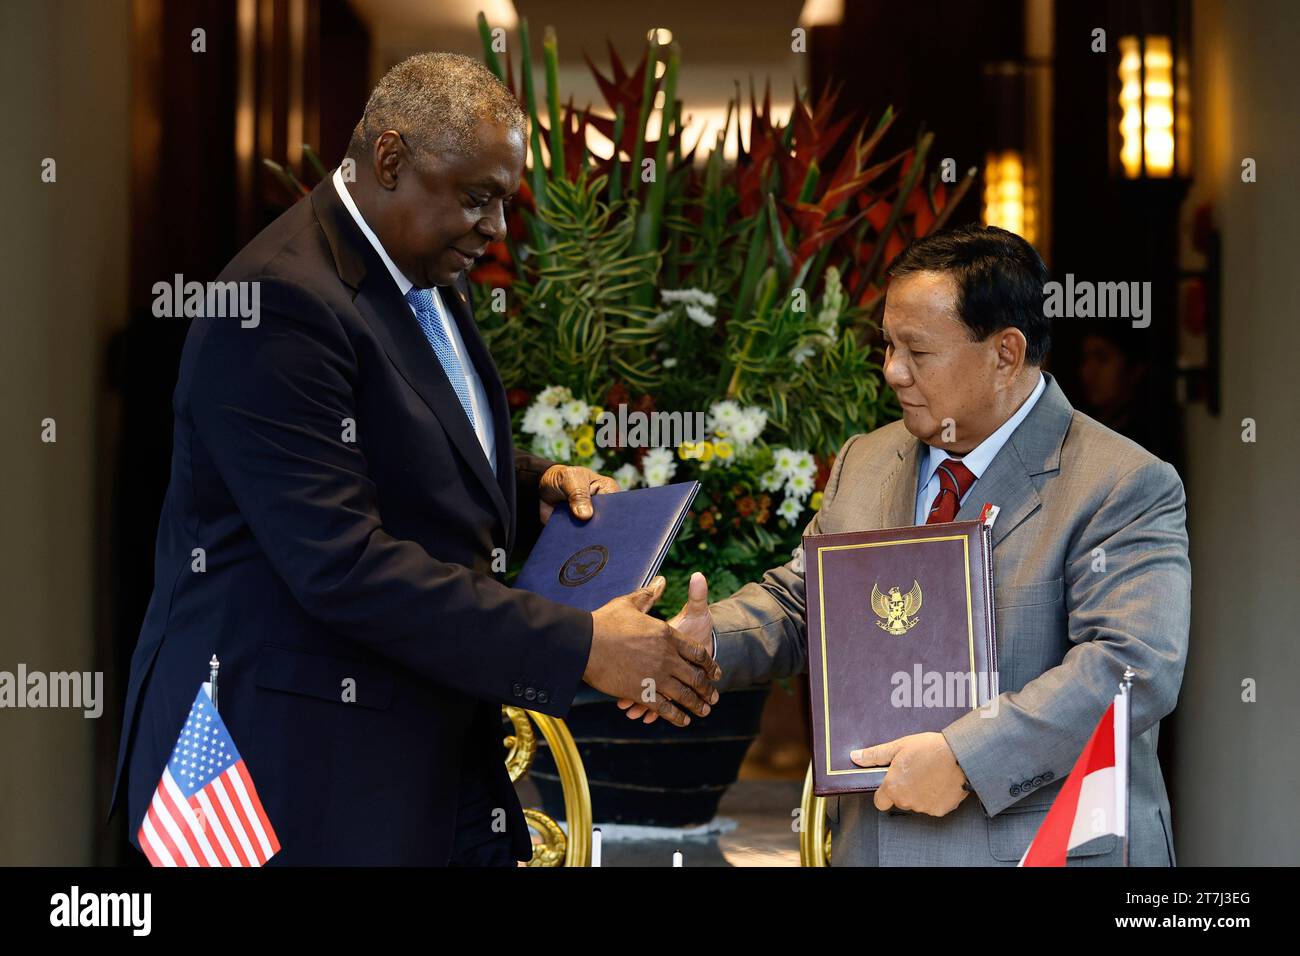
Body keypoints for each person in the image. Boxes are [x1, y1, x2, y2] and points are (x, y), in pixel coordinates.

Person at [109, 52, 718, 866]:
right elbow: (343, 565)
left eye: (504, 201)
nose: (498, 229)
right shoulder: (276, 303)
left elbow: (403, 439)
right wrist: (582, 646)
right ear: (390, 159)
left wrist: (529, 485)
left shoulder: (422, 271)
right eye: (479, 198)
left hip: (419, 741)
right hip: (292, 763)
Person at [623, 225, 1189, 866]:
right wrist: (701, 642)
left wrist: (966, 759)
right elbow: (808, 602)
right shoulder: (868, 459)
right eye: (887, 345)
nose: (892, 372)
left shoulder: (1120, 482)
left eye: (917, 352)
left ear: (1006, 353)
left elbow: (1131, 668)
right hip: (876, 843)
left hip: (1039, 848)